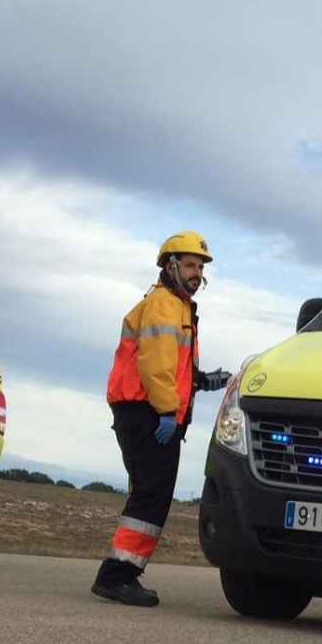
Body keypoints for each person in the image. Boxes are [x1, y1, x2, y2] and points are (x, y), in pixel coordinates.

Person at [92, 231, 231, 607]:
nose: (197, 273)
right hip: (149, 413)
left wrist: (201, 380)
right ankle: (116, 576)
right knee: (150, 494)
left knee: (150, 493)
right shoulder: (164, 305)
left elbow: (171, 366)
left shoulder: (177, 307)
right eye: (190, 265)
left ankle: (121, 573)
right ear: (170, 266)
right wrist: (168, 412)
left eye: (201, 268)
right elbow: (155, 367)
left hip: (149, 410)